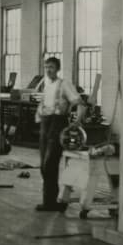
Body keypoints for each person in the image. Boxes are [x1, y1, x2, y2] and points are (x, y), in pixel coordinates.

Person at [35, 57, 86, 212]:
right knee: (43, 167)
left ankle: (51, 203)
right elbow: (43, 105)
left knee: (49, 164)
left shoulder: (64, 84)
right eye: (46, 67)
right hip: (45, 126)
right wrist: (39, 117)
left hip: (57, 126)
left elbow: (80, 103)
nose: (48, 70)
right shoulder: (46, 85)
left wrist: (77, 122)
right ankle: (49, 201)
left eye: (51, 67)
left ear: (57, 69)